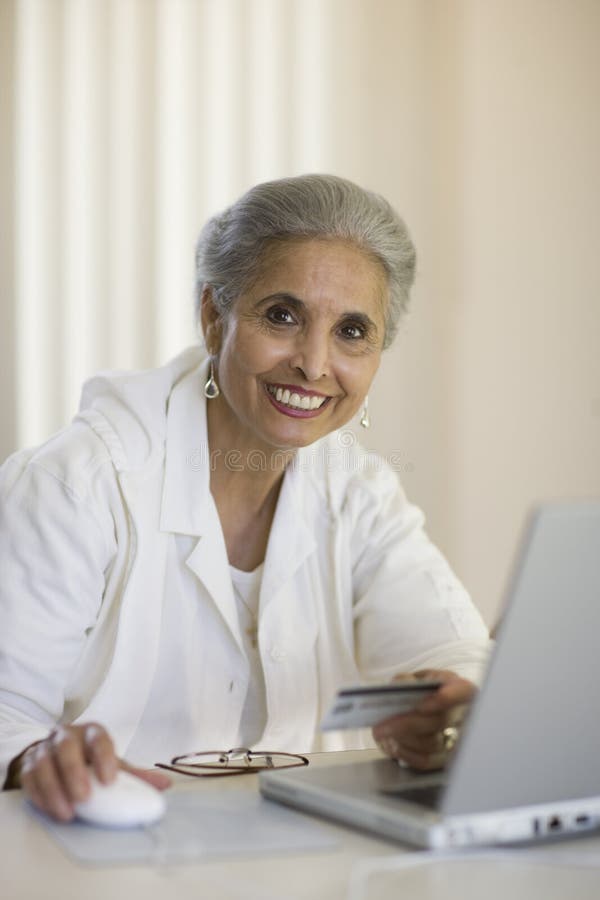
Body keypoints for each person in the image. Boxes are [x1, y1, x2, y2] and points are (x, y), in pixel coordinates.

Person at [0, 174, 491, 821]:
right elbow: (7, 709)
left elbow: (455, 651)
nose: (315, 364)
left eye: (351, 331)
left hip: (285, 860)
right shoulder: (80, 481)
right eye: (282, 316)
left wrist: (450, 711)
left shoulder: (359, 492)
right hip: (92, 859)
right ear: (213, 316)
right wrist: (35, 756)